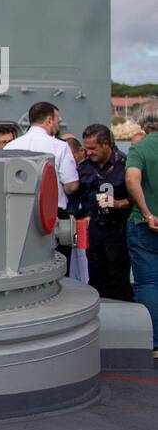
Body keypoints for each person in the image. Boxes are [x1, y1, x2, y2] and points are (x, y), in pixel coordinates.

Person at [4, 102, 80, 275]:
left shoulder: (10, 146)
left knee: (20, 263)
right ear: (48, 120)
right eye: (57, 120)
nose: (57, 125)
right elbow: (71, 185)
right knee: (57, 264)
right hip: (51, 215)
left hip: (17, 214)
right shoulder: (60, 147)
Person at [78, 123, 132, 301]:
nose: (89, 152)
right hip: (94, 227)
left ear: (106, 144)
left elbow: (136, 199)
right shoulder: (84, 168)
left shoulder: (124, 166)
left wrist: (119, 204)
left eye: (93, 148)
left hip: (117, 228)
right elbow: (77, 197)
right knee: (96, 275)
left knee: (118, 276)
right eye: (86, 148)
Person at [125, 115, 158, 358]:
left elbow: (131, 179)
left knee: (148, 284)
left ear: (147, 129)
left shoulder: (140, 148)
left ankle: (154, 342)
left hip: (145, 225)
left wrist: (147, 213)